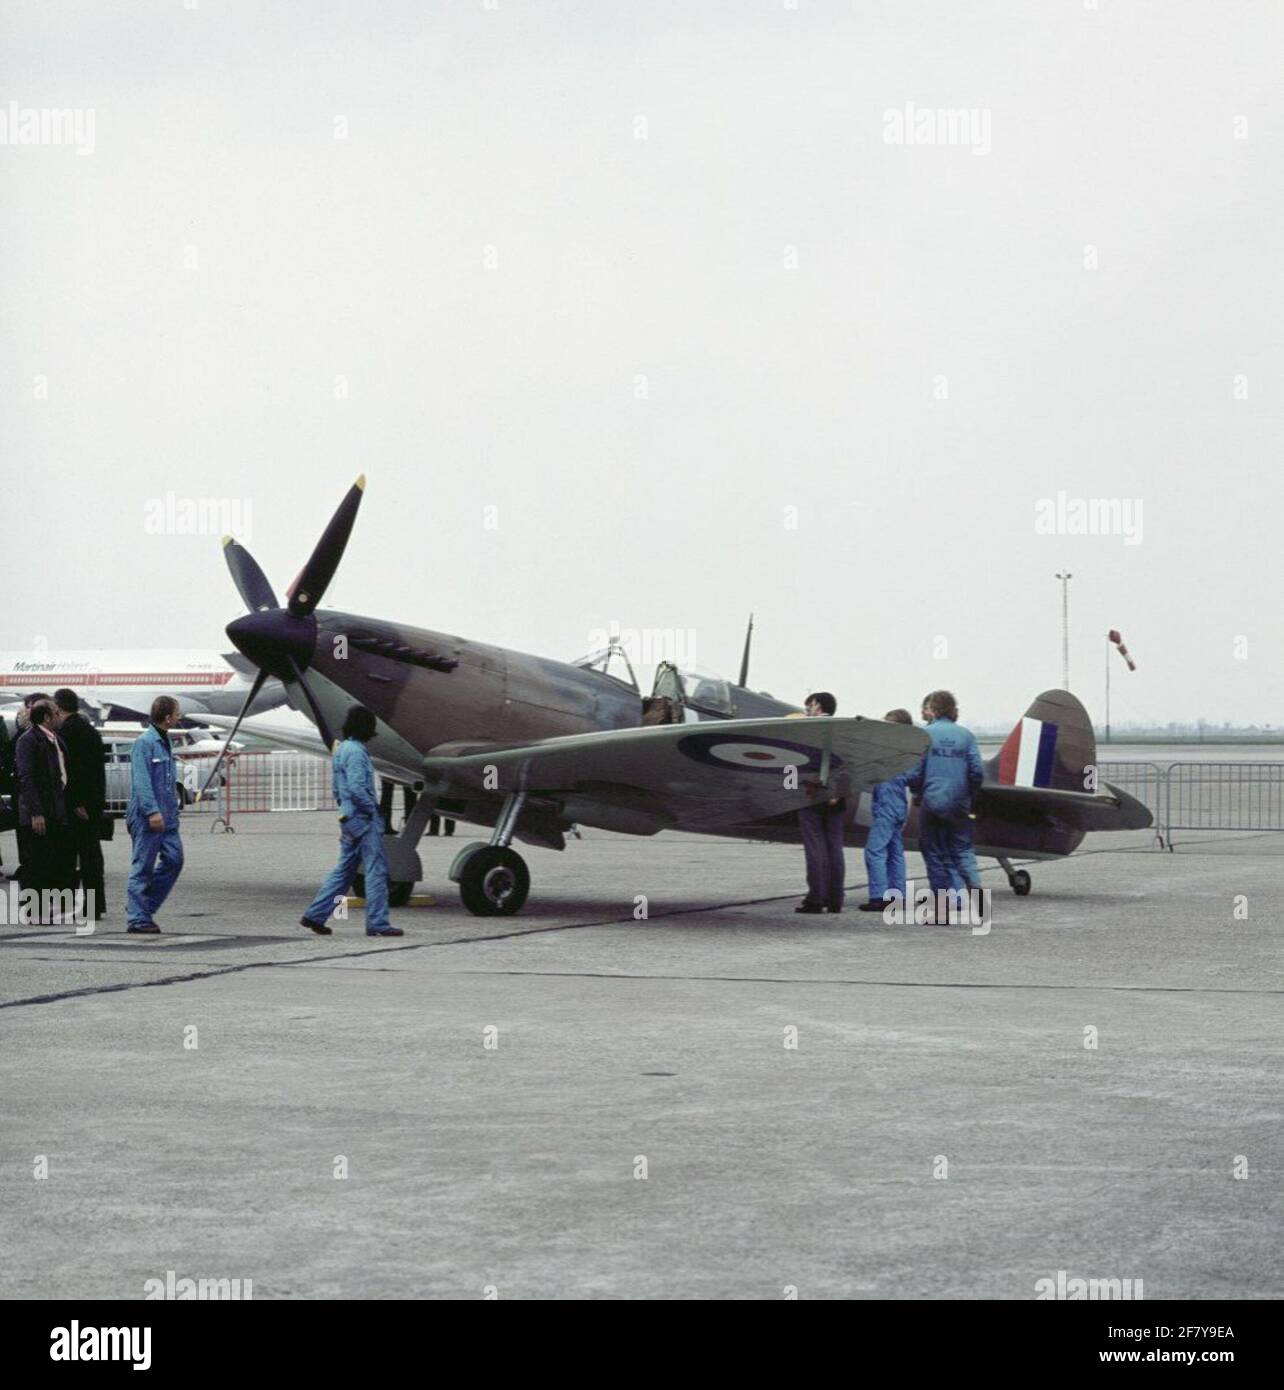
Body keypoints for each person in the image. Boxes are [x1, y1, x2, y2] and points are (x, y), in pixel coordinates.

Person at [301, 704, 403, 938]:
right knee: (376, 870)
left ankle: (315, 915)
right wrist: (373, 809)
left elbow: (338, 788)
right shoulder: (357, 752)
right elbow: (358, 787)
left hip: (347, 817)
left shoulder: (341, 750)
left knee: (344, 870)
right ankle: (378, 922)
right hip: (364, 819)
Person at [906, 690, 985, 920]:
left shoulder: (924, 734)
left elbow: (914, 772)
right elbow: (977, 771)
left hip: (932, 802)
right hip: (960, 803)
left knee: (934, 855)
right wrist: (971, 795)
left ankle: (940, 913)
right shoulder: (966, 736)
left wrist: (917, 792)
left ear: (934, 708)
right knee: (963, 851)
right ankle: (977, 892)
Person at [125, 695, 185, 935]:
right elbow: (142, 781)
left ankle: (142, 907)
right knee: (143, 867)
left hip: (167, 817)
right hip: (148, 816)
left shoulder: (164, 741)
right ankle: (138, 919)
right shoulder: (145, 742)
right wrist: (152, 811)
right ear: (168, 717)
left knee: (174, 859)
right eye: (177, 713)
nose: (180, 716)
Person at [14, 698, 75, 923]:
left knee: (51, 860)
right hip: (39, 812)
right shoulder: (29, 741)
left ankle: (46, 907)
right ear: (47, 717)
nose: (60, 716)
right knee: (36, 862)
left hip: (56, 811)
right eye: (56, 713)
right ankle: (34, 911)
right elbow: (27, 779)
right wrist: (36, 812)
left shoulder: (55, 739)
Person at [54, 689, 108, 921]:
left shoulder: (69, 732)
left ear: (58, 708)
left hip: (78, 805)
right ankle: (96, 904)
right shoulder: (89, 730)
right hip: (93, 803)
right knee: (92, 855)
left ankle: (72, 905)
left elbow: (76, 771)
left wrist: (77, 801)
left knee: (72, 856)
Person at [858, 709, 915, 911]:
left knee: (874, 851)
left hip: (887, 807)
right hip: (898, 807)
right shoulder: (907, 752)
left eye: (887, 724)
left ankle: (878, 897)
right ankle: (898, 896)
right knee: (895, 853)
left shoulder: (890, 751)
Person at [796, 691, 846, 915]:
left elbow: (795, 763)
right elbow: (850, 766)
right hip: (837, 796)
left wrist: (790, 790)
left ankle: (816, 899)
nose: (807, 709)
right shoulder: (845, 731)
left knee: (815, 847)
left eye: (809, 704)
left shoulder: (809, 729)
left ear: (817, 704)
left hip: (811, 794)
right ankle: (835, 900)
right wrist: (839, 792)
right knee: (834, 847)